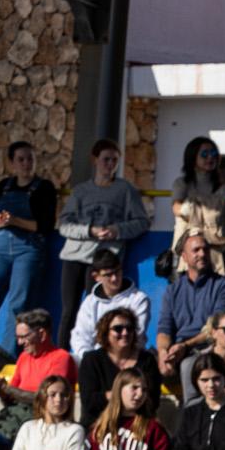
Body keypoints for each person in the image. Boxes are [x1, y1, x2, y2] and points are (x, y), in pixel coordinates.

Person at [0, 139, 57, 348]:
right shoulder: (4, 187)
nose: (26, 164)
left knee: (19, 305)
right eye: (21, 159)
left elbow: (45, 225)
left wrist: (16, 221)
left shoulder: (44, 187)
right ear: (12, 163)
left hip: (28, 249)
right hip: (0, 250)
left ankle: (10, 356)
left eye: (30, 159)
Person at [57, 138, 150, 343]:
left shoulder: (125, 190)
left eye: (114, 161)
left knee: (100, 307)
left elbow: (142, 222)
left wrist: (117, 231)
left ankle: (100, 352)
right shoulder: (81, 191)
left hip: (104, 260)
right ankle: (62, 356)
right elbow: (64, 224)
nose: (110, 165)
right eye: (106, 159)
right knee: (69, 310)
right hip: (75, 256)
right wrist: (89, 230)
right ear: (95, 160)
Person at [157, 231, 225, 382]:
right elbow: (164, 329)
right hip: (179, 351)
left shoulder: (224, 285)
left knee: (190, 365)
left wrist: (185, 346)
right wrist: (163, 353)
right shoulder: (172, 290)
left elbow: (217, 330)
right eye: (196, 250)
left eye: (205, 249)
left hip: (210, 347)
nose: (202, 254)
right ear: (184, 256)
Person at [87, 369, 171, 450]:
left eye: (144, 389)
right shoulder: (100, 428)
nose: (140, 394)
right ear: (119, 389)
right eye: (134, 388)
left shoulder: (154, 428)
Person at [77, 307, 163, 429]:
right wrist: (124, 396)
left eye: (129, 328)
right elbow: (89, 401)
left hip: (136, 427)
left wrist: (110, 396)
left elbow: (153, 400)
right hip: (98, 426)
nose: (125, 333)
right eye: (118, 329)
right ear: (106, 332)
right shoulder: (91, 360)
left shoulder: (147, 360)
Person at [171, 135, 225, 278]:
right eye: (204, 154)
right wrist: (189, 208)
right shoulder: (182, 183)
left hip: (217, 255)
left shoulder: (222, 188)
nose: (210, 158)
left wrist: (199, 207)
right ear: (192, 157)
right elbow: (176, 208)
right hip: (187, 256)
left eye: (213, 154)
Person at [66, 248, 152, 356]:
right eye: (108, 274)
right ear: (96, 277)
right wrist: (90, 360)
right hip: (95, 361)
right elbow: (80, 337)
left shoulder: (139, 299)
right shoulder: (89, 302)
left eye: (117, 271)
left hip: (128, 359)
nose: (114, 278)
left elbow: (135, 335)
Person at [0, 309, 76, 414]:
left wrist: (6, 389)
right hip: (20, 418)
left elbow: (47, 400)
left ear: (42, 334)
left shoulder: (61, 358)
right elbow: (11, 400)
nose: (20, 343)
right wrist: (0, 392)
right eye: (18, 338)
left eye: (24, 337)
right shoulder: (23, 357)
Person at [6, 377, 87, 450]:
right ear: (42, 397)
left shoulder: (75, 431)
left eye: (64, 395)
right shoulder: (28, 428)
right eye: (53, 394)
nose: (58, 399)